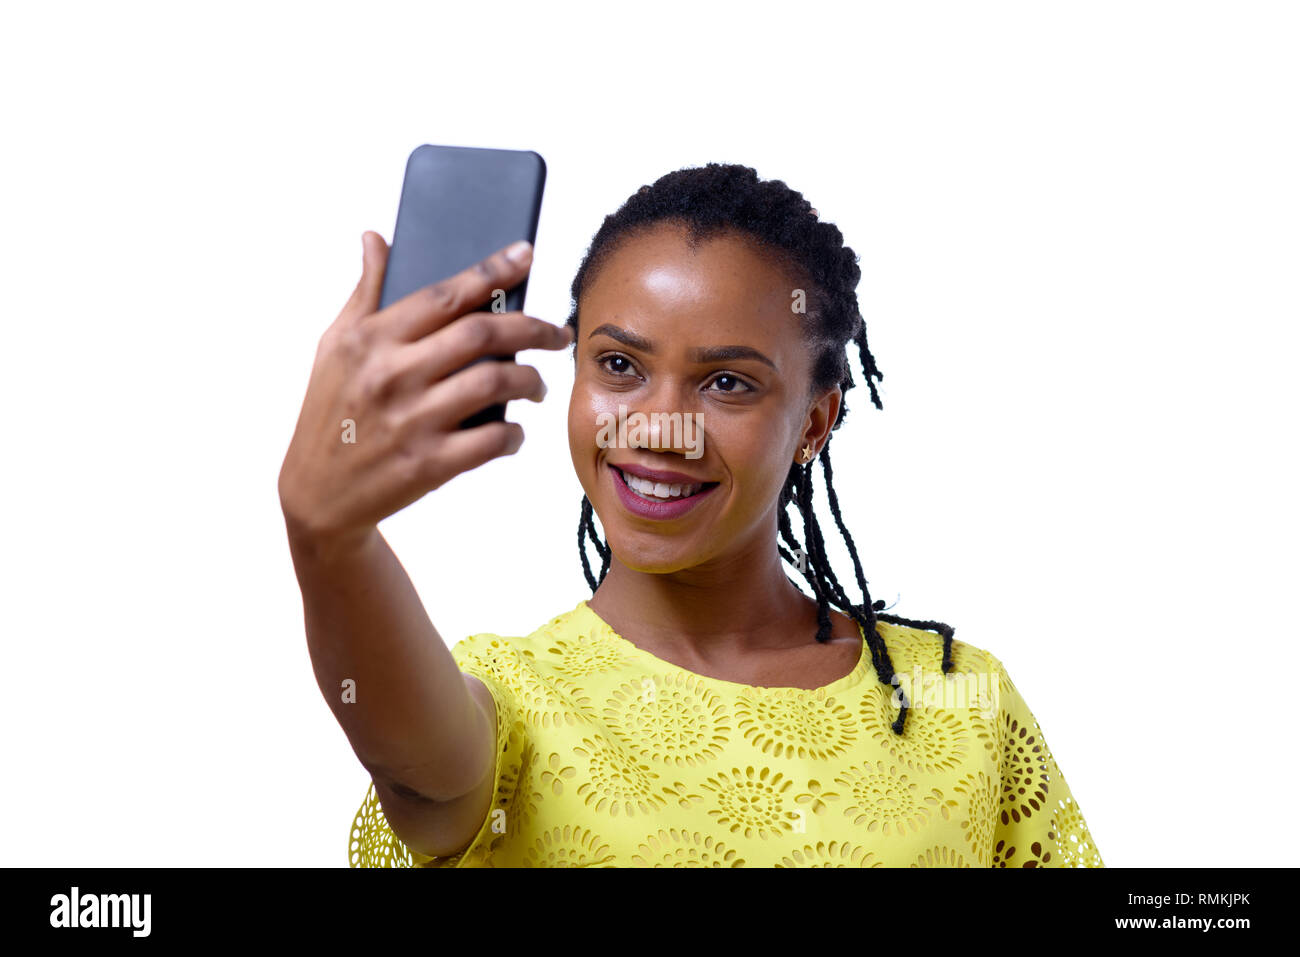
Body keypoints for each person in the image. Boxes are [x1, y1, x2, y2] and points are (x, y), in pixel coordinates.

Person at [279, 163, 1104, 868]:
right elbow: (420, 765)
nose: (657, 425)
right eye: (618, 364)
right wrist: (327, 535)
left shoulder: (958, 699)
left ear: (815, 422)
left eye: (727, 383)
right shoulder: (509, 700)